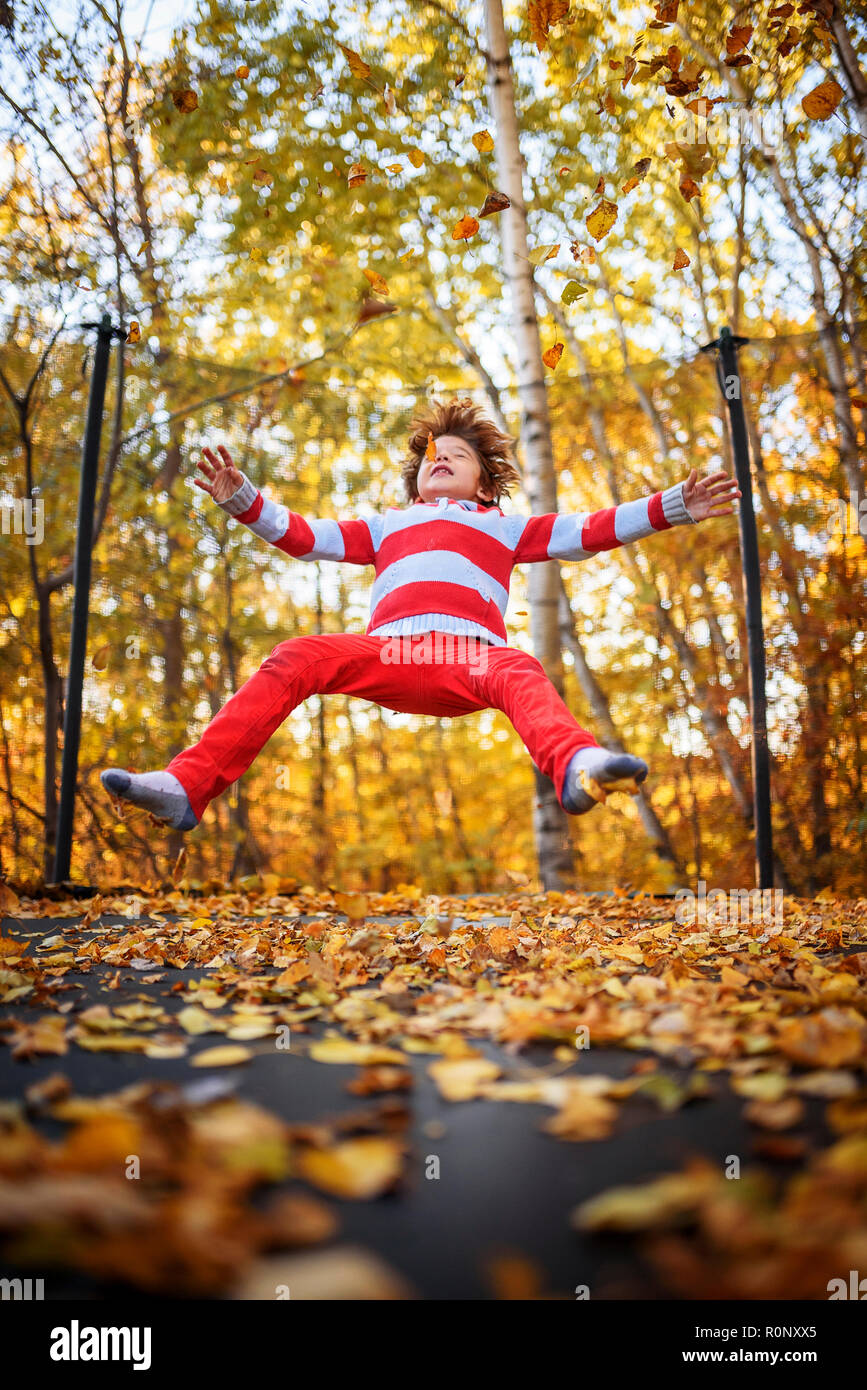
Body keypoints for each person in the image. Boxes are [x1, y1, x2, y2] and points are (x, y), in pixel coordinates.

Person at [100, 396, 740, 831]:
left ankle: (576, 766)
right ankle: (188, 786)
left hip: (468, 659)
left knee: (519, 665)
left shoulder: (506, 525)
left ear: (484, 484)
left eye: (457, 456)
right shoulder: (388, 524)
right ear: (416, 480)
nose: (441, 457)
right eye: (433, 453)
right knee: (296, 655)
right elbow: (302, 537)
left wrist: (672, 506)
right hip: (393, 654)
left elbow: (590, 529)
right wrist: (244, 500)